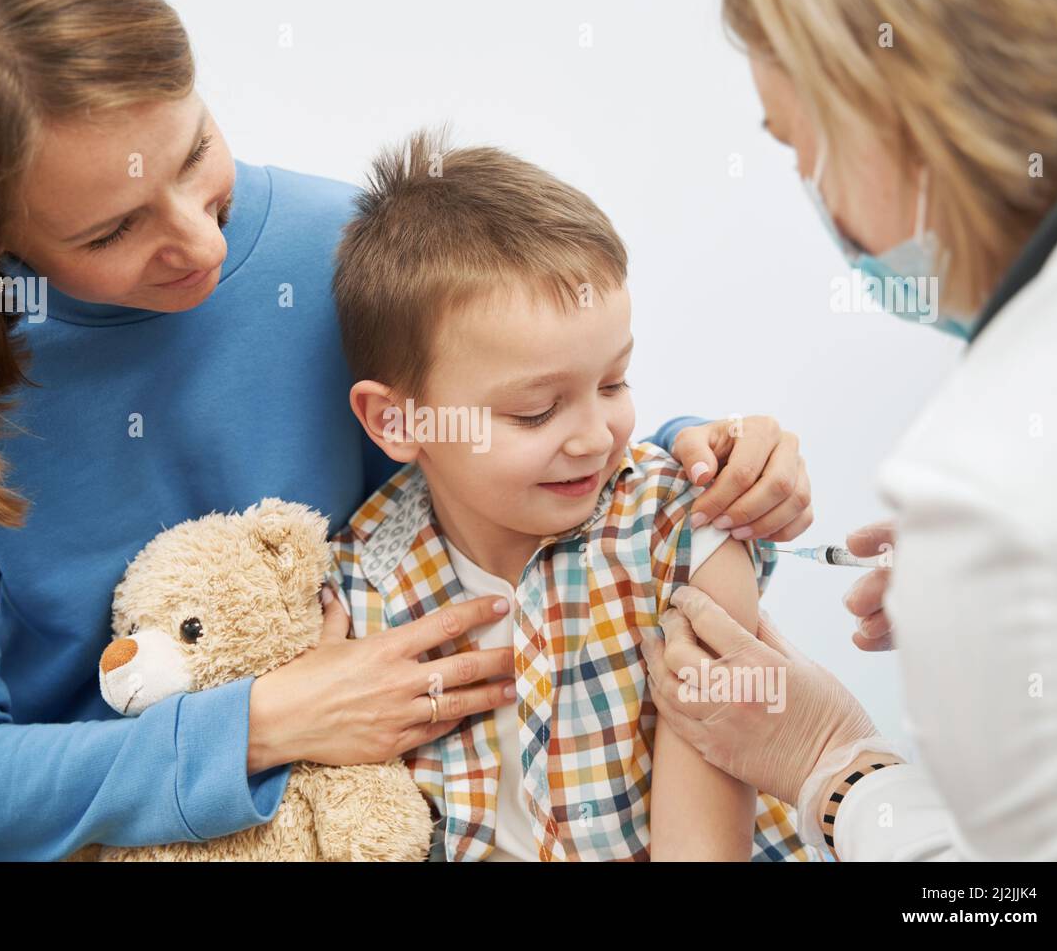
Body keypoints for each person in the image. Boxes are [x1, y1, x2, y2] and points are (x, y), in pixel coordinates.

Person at [0, 0, 814, 860]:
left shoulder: (332, 246)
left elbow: (525, 408)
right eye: (113, 230)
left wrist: (702, 450)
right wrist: (259, 724)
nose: (200, 241)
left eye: (195, 152)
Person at [643, 0, 1057, 861]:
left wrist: (832, 766)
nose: (812, 184)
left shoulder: (986, 477)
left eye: (794, 140)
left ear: (882, 111)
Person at [326, 131, 819, 861]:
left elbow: (705, 846)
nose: (594, 436)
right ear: (397, 421)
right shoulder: (357, 585)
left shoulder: (684, 533)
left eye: (614, 383)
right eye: (535, 412)